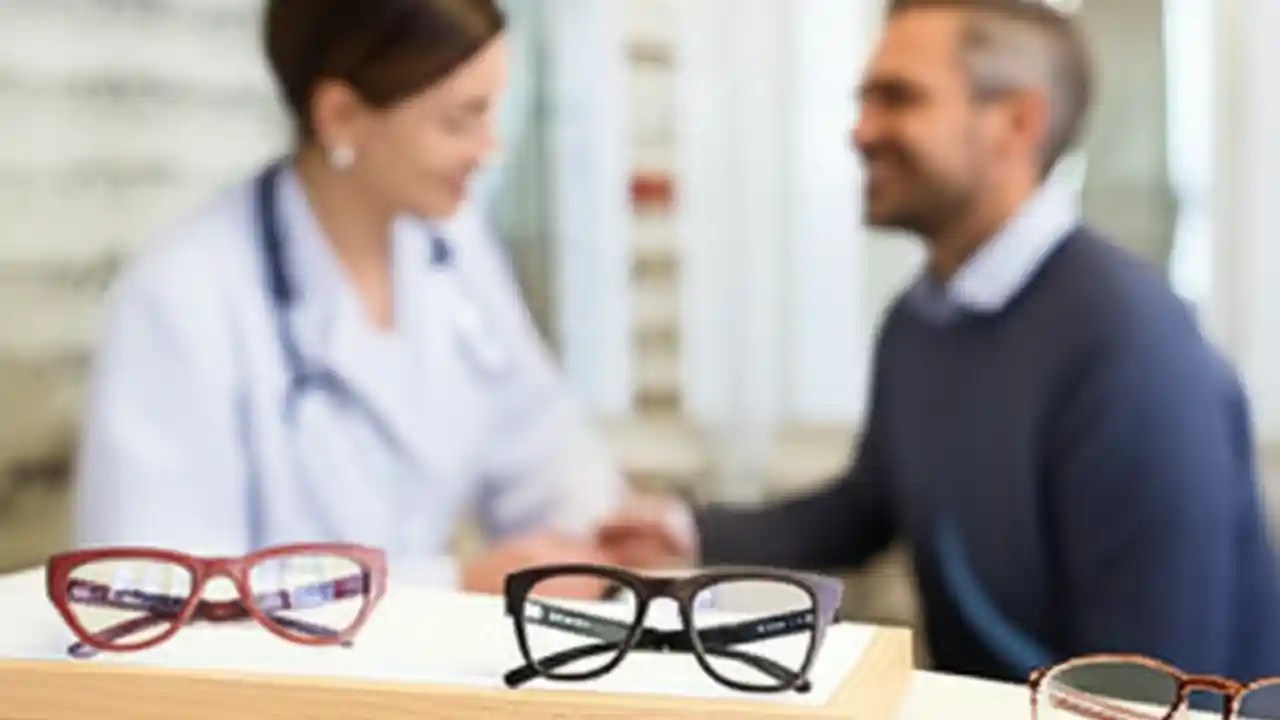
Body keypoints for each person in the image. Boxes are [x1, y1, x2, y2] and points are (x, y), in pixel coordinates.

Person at [600, 0, 1280, 683]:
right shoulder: (922, 319)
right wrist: (686, 532)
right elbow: (871, 505)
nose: (861, 132)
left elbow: (1155, 683)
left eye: (899, 98)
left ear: (1017, 122)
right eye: (864, 99)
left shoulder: (1132, 344)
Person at [74, 0, 622, 597]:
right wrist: (455, 587)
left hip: (426, 674)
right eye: (459, 122)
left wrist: (604, 531)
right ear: (340, 115)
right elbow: (155, 591)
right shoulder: (185, 295)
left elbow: (538, 443)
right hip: (271, 686)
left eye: (492, 114)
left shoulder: (450, 249)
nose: (488, 149)